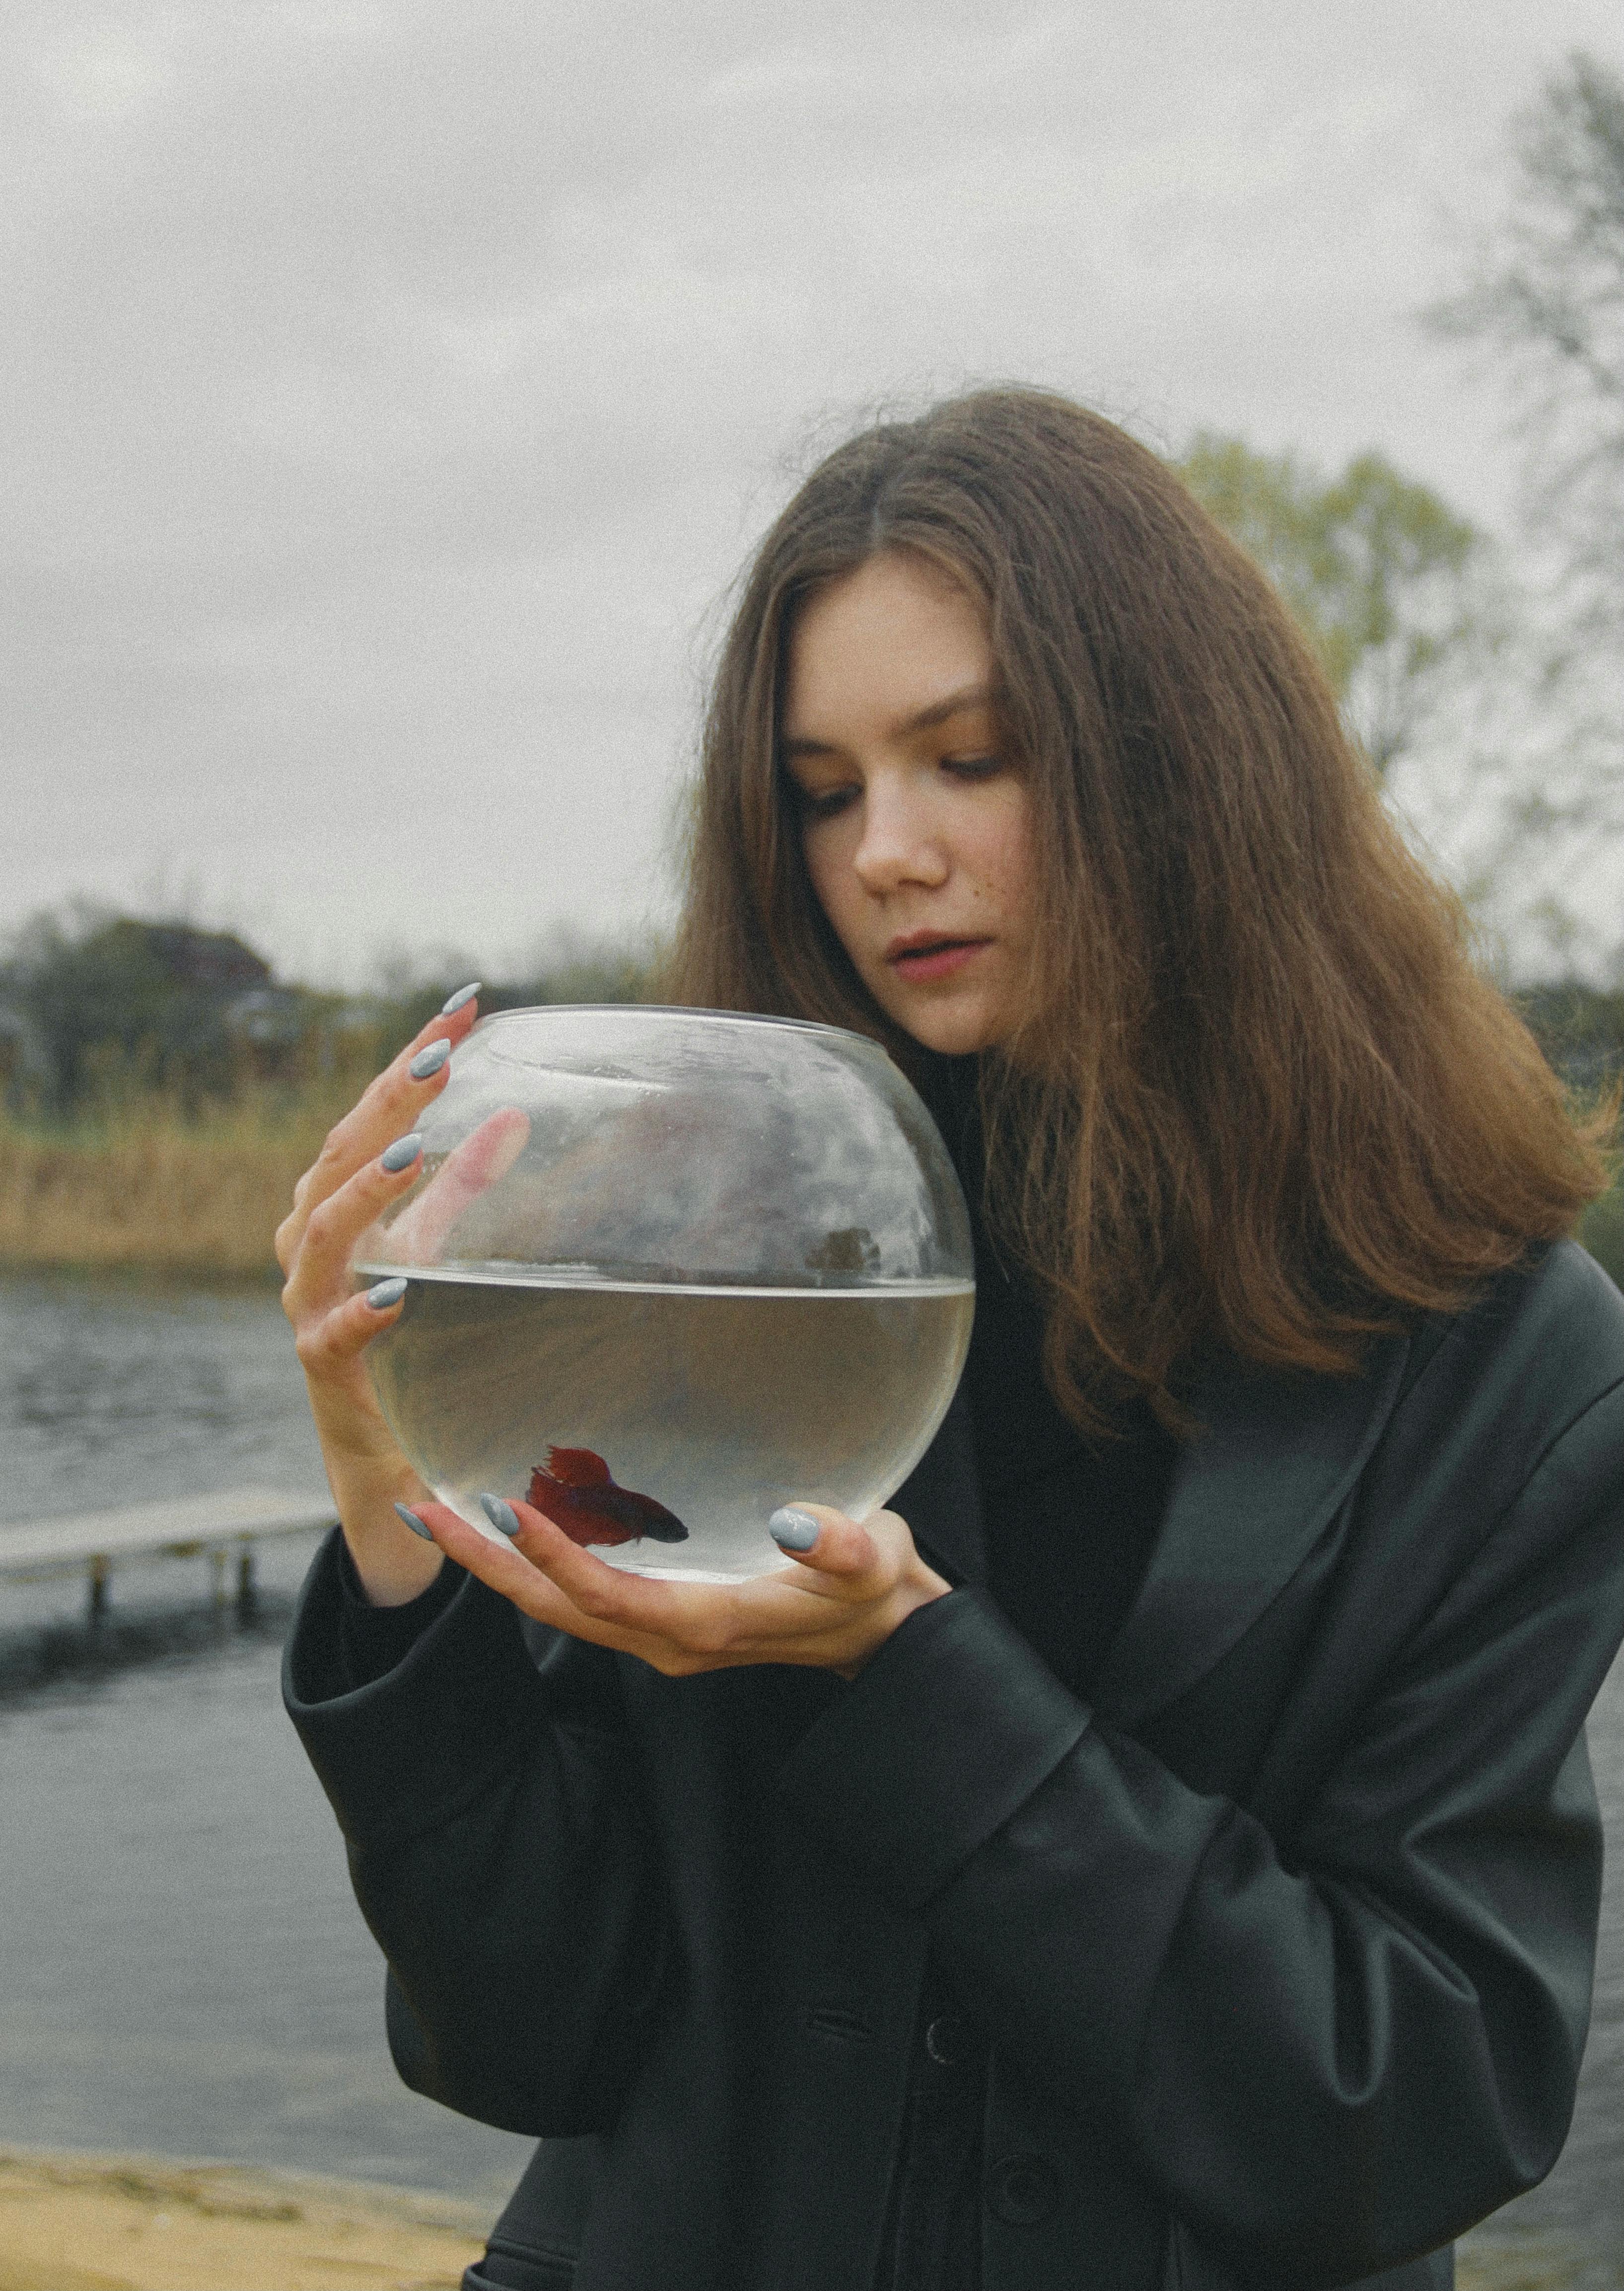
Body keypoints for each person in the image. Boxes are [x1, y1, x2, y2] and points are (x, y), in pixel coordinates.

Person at [279, 390, 1624, 2291]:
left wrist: (911, 1677)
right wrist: (397, 1519)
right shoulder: (701, 1269)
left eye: (969, 758)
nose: (885, 850)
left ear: (1186, 767)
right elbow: (530, 2037)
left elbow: (1403, 2115)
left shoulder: (1508, 1362)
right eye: (823, 790)